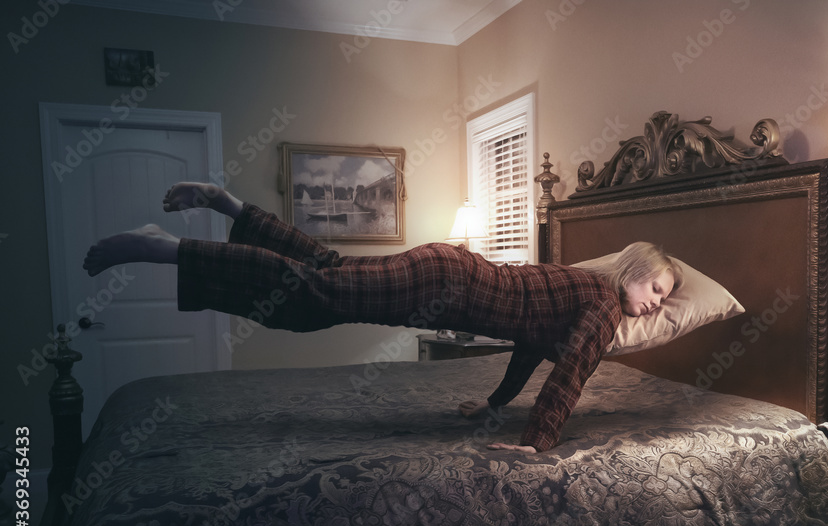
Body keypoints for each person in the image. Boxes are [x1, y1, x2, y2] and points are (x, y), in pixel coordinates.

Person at [83, 182, 677, 453]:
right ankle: (167, 247)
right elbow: (570, 375)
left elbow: (530, 347)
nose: (655, 304)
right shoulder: (604, 305)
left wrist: (496, 407)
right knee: (314, 295)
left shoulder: (582, 286)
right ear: (632, 270)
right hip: (447, 283)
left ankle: (227, 205)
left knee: (326, 268)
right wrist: (537, 442)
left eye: (664, 300)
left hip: (447, 272)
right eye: (657, 288)